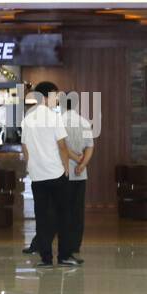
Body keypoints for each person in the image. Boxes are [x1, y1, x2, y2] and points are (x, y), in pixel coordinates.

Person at [20, 82, 75, 269]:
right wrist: (66, 167)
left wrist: (31, 166)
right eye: (55, 96)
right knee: (64, 215)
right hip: (56, 173)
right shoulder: (54, 117)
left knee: (42, 217)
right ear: (45, 96)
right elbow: (62, 147)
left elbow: (25, 147)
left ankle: (45, 258)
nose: (57, 100)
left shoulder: (27, 119)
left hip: (37, 176)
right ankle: (64, 256)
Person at [58, 92, 95, 265]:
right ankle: (75, 247)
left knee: (64, 212)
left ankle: (64, 246)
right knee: (77, 212)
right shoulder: (85, 122)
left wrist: (74, 160)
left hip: (62, 172)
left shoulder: (58, 122)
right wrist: (82, 164)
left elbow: (61, 148)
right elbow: (90, 148)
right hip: (81, 174)